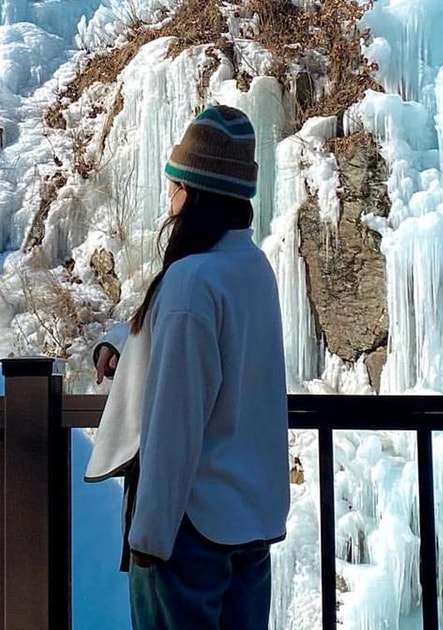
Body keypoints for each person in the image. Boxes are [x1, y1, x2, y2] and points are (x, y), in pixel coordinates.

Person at [84, 105, 290, 629]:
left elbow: (175, 419)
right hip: (248, 524)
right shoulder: (252, 269)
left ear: (194, 191)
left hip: (188, 529)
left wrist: (149, 537)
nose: (169, 198)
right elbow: (217, 353)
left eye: (175, 183)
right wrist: (127, 343)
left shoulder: (191, 281)